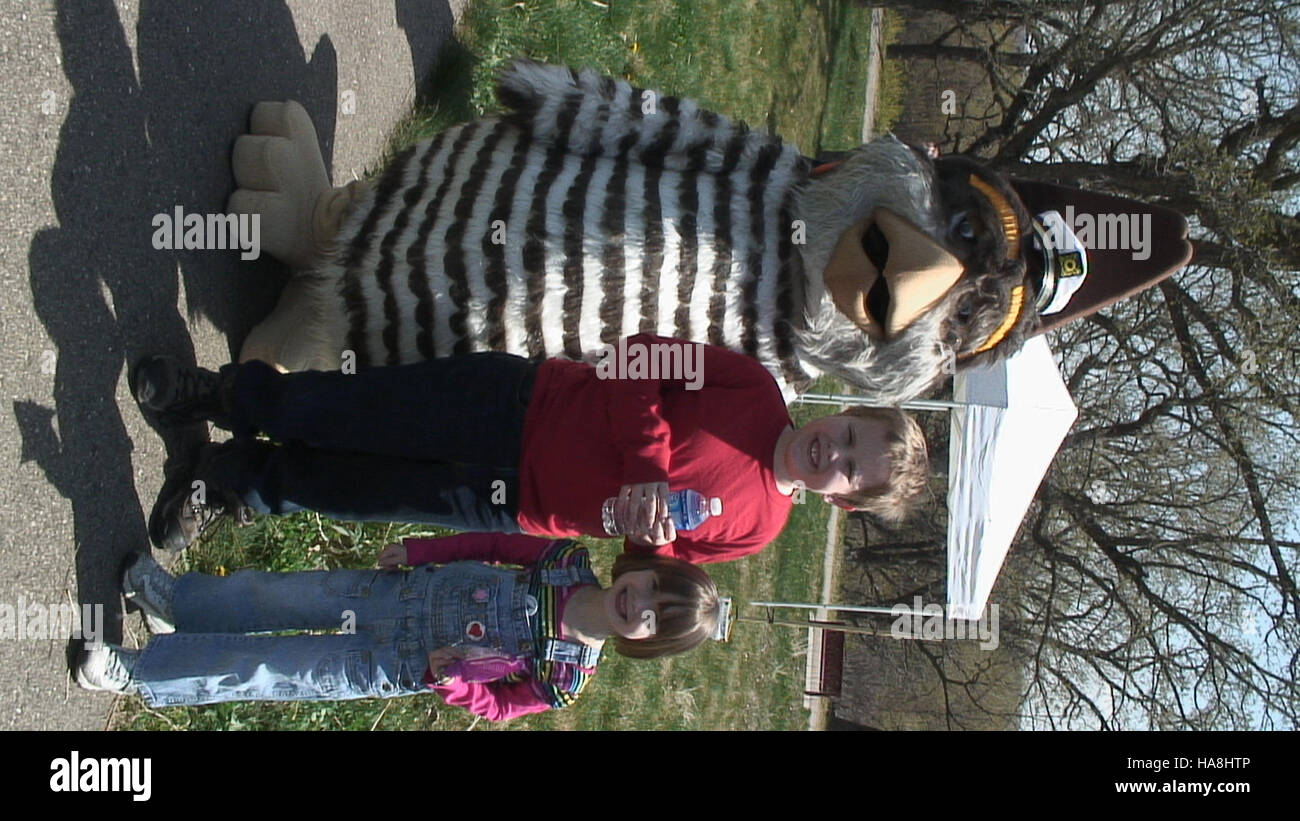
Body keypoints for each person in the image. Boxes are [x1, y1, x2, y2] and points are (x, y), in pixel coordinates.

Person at [133, 334, 929, 563]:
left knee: (357, 489)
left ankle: (229, 482)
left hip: (521, 504)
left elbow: (655, 564)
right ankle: (220, 396)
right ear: (847, 409)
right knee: (350, 408)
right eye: (852, 435)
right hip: (517, 406)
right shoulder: (753, 389)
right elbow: (635, 360)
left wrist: (645, 544)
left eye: (853, 469)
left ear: (843, 500)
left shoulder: (757, 530)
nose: (837, 453)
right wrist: (651, 465)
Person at [76, 533, 721, 722]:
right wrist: (421, 554)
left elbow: (497, 708)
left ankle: (138, 672)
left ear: (646, 644)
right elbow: (492, 539)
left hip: (391, 663)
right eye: (654, 587)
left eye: (654, 621)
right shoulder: (564, 561)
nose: (640, 604)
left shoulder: (562, 677)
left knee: (268, 669)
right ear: (641, 567)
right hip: (389, 593)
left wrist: (456, 686)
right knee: (274, 595)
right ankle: (178, 602)